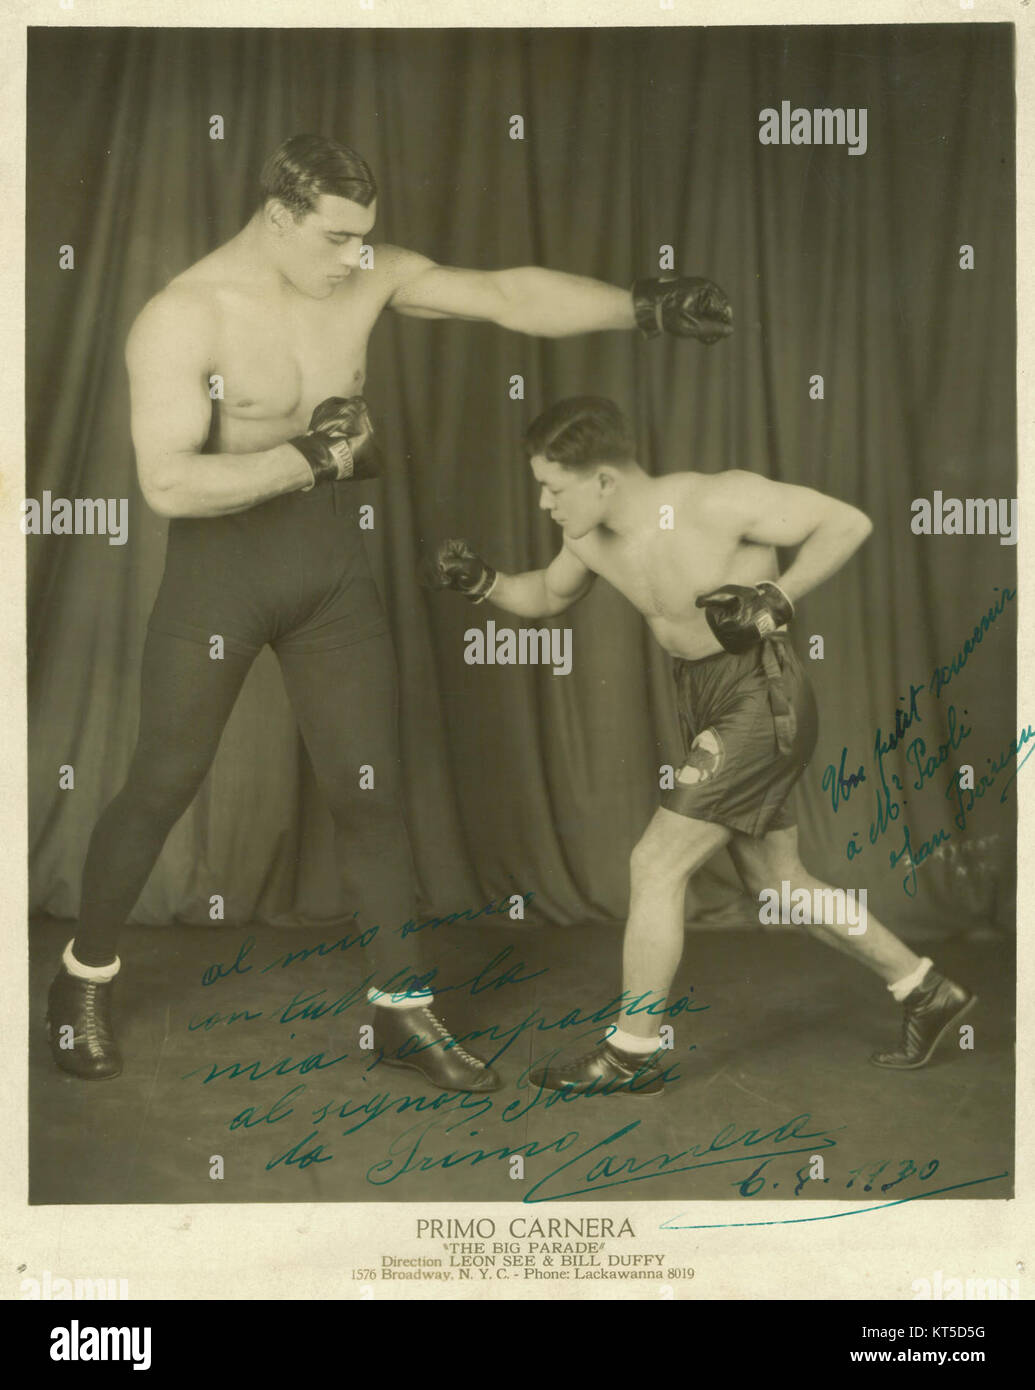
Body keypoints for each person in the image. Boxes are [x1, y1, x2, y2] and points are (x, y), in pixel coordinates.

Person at [46, 136, 733, 1091]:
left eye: (363, 239)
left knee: (369, 793)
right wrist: (313, 460)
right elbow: (167, 483)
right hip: (221, 582)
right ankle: (83, 977)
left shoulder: (360, 272)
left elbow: (502, 295)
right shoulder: (184, 314)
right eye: (335, 238)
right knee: (163, 780)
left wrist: (644, 306)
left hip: (329, 572)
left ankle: (401, 1011)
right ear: (279, 216)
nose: (352, 258)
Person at [427, 395, 976, 1095]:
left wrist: (776, 594)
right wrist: (482, 583)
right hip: (706, 700)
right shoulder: (589, 538)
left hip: (761, 697)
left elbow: (847, 522)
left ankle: (629, 1053)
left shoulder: (718, 500)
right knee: (777, 881)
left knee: (655, 864)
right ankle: (926, 993)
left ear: (603, 481)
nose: (542, 503)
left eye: (553, 487)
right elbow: (544, 596)